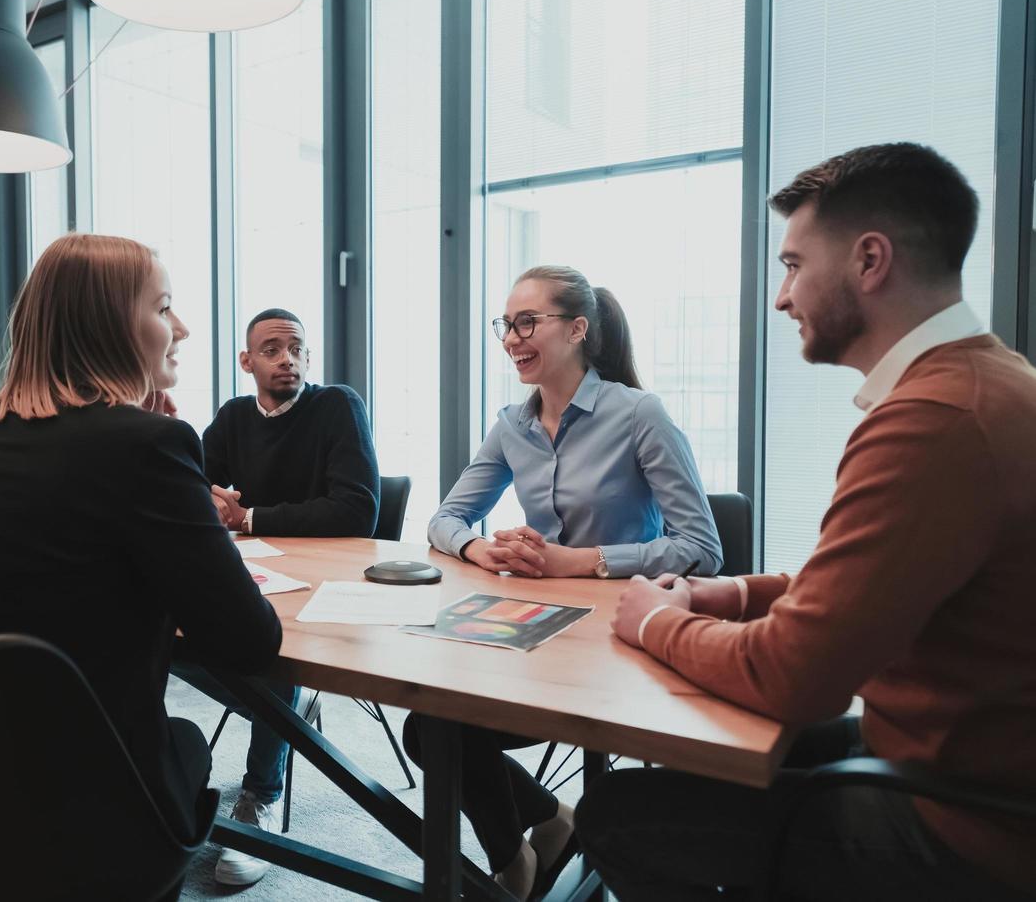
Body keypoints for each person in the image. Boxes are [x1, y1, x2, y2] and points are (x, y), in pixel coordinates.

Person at [583, 143, 1036, 900]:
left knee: (620, 813)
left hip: (961, 824)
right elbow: (878, 583)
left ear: (870, 261)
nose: (781, 297)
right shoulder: (990, 383)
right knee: (711, 751)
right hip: (965, 765)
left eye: (794, 265)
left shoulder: (934, 420)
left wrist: (655, 622)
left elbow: (791, 680)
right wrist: (735, 594)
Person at [0, 234, 282, 856]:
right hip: (93, 790)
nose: (182, 328)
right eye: (164, 307)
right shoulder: (150, 446)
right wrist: (168, 461)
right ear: (109, 325)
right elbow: (249, 642)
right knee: (185, 742)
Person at [407, 265, 723, 900]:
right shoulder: (512, 424)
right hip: (528, 629)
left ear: (578, 330)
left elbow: (702, 549)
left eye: (528, 322)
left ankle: (528, 855)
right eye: (506, 324)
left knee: (446, 731)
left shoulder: (639, 415)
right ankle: (536, 834)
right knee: (430, 725)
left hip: (616, 644)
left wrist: (578, 561)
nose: (512, 338)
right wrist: (485, 549)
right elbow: (444, 519)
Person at [175, 308, 380, 886]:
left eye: (296, 349)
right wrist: (209, 500)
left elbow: (357, 511)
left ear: (308, 358)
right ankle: (287, 707)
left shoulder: (336, 405)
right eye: (271, 349)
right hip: (258, 572)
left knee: (271, 655)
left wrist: (249, 517)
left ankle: (260, 798)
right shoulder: (233, 416)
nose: (286, 359)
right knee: (161, 631)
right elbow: (192, 485)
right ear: (247, 361)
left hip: (325, 582)